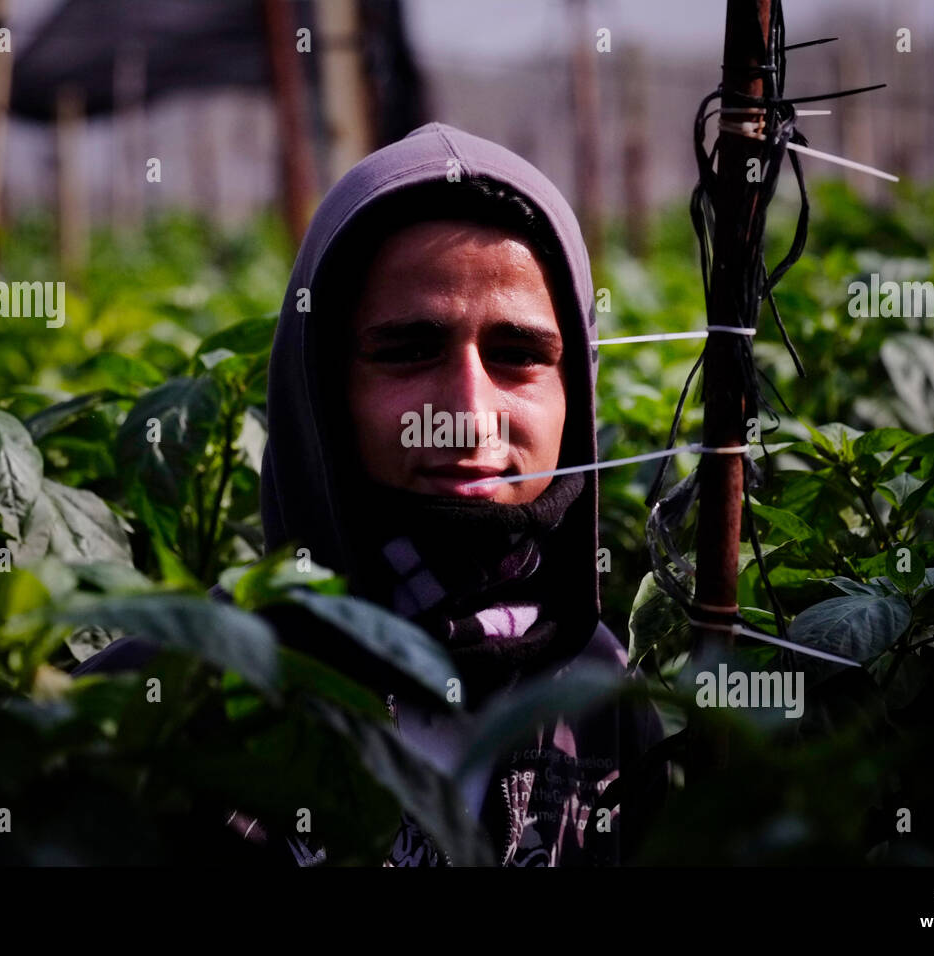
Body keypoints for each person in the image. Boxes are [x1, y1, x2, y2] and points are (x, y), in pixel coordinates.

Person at [76, 122, 667, 866]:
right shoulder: (157, 702)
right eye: (409, 351)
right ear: (323, 390)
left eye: (518, 356)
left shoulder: (607, 701)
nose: (467, 411)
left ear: (573, 395)